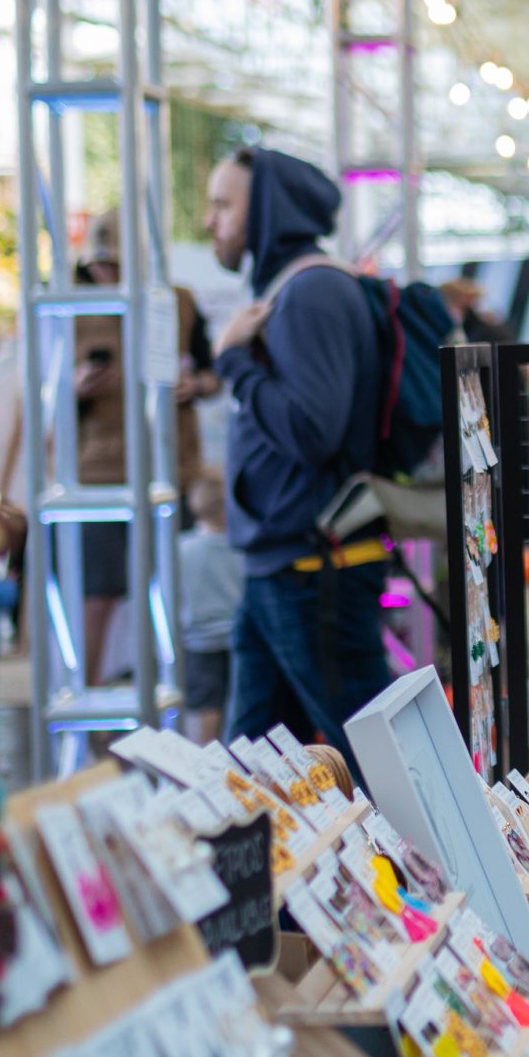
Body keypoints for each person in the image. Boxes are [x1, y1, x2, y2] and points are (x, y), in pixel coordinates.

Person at [205, 147, 393, 763]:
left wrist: (233, 361)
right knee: (255, 769)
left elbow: (314, 430)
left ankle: (449, 859)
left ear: (266, 211)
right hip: (282, 568)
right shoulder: (294, 291)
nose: (212, 220)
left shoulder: (312, 293)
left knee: (376, 761)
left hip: (314, 572)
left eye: (224, 205)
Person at [73, 209, 220, 682]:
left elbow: (213, 372)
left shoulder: (177, 303)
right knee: (97, 594)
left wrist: (194, 384)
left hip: (168, 467)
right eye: (99, 263)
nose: (105, 272)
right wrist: (75, 390)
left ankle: (175, 690)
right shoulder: (72, 308)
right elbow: (44, 397)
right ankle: (92, 697)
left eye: (113, 262)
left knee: (175, 589)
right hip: (97, 476)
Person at [179, 471, 244, 745]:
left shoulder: (182, 548)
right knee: (235, 702)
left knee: (205, 706)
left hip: (198, 641)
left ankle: (202, 762)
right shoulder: (240, 548)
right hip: (234, 635)